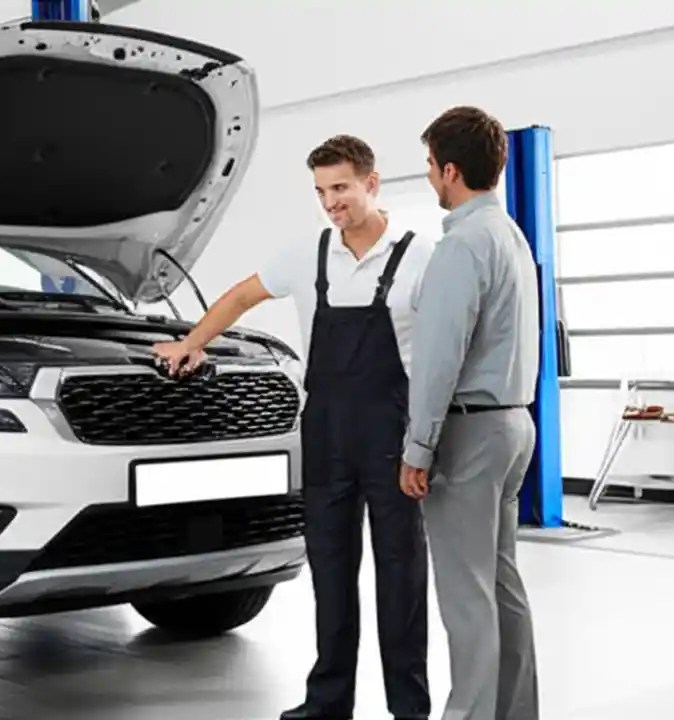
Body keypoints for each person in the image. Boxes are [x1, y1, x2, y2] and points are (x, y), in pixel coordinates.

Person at [153, 134, 434, 720]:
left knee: (401, 578)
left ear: (371, 183)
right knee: (330, 574)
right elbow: (241, 297)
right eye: (321, 191)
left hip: (393, 436)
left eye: (341, 188)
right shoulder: (308, 255)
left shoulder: (419, 255)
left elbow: (443, 350)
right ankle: (328, 702)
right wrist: (190, 342)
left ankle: (409, 708)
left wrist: (429, 440)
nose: (331, 202)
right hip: (326, 436)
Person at [399, 106, 541, 720]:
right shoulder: (510, 235)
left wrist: (417, 448)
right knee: (501, 581)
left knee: (466, 594)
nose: (431, 178)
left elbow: (437, 357)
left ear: (450, 170)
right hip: (514, 424)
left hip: (469, 431)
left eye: (430, 167)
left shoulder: (462, 245)